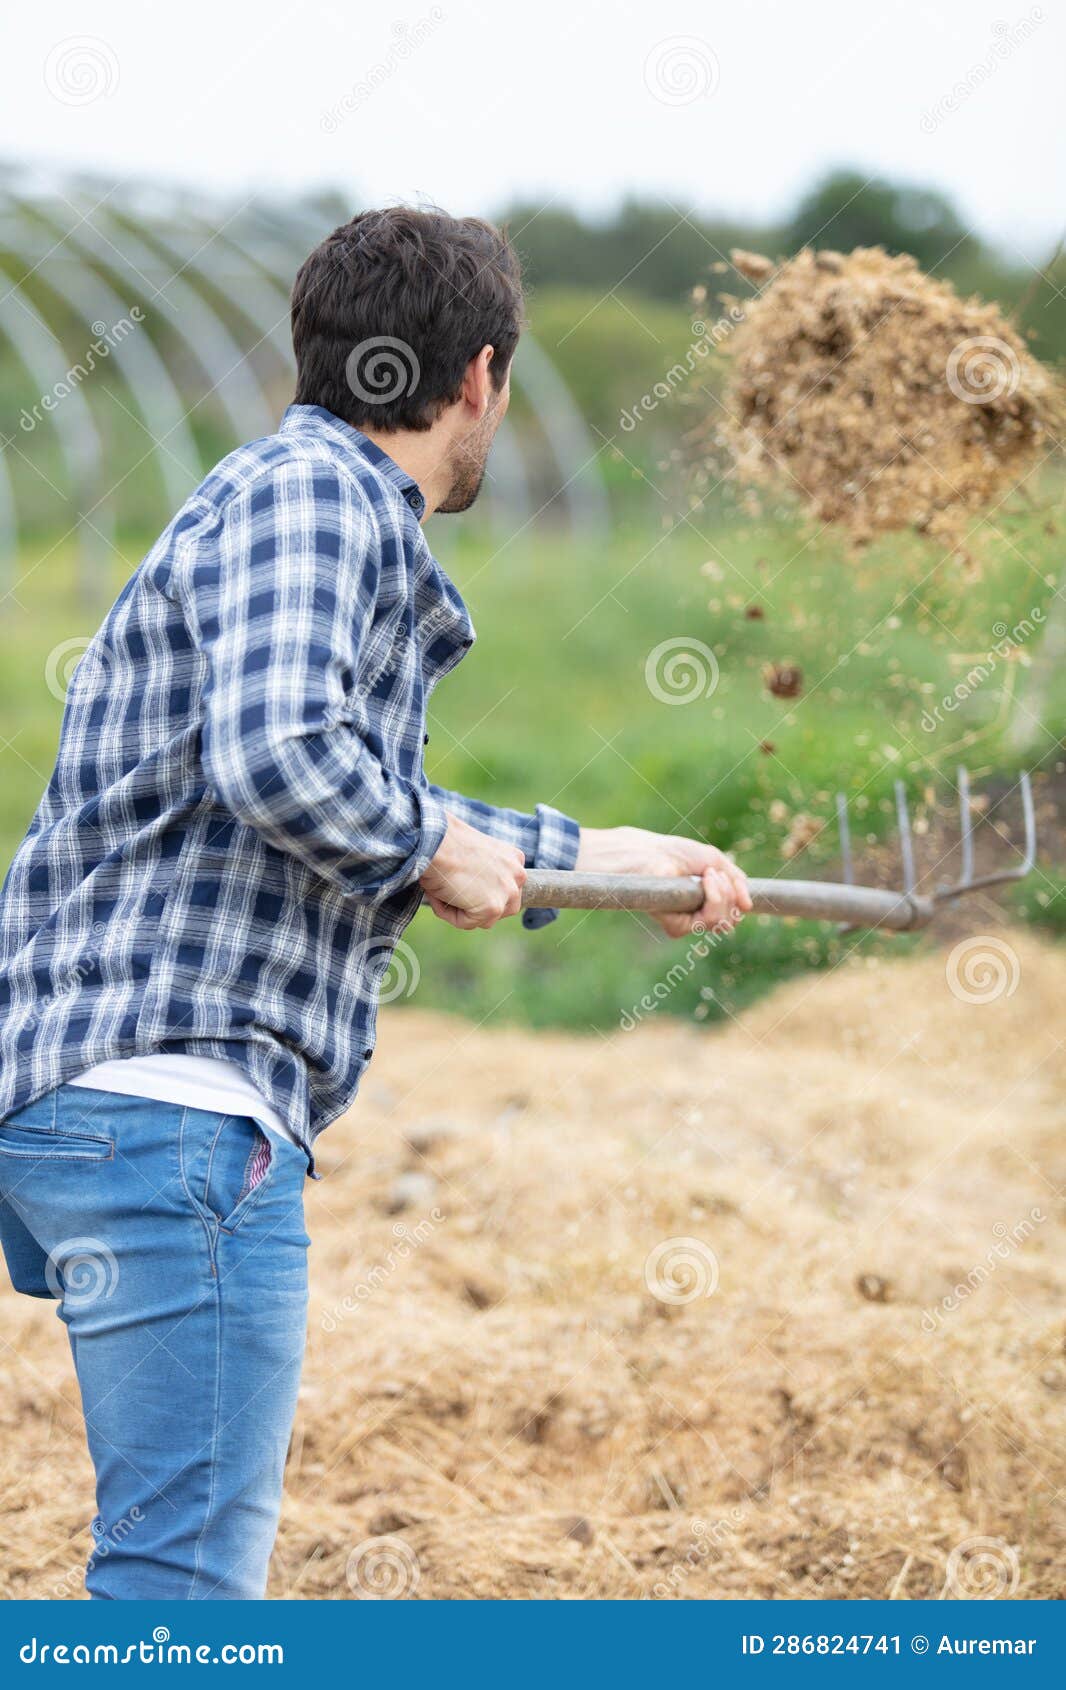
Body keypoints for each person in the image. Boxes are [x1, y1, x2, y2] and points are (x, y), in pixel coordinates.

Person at [0, 207, 750, 1599]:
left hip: (103, 1103)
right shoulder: (319, 499)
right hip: (177, 1106)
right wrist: (423, 846)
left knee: (170, 1563)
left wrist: (599, 851)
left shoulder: (279, 496)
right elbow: (283, 751)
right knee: (181, 1589)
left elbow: (293, 785)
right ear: (479, 377)